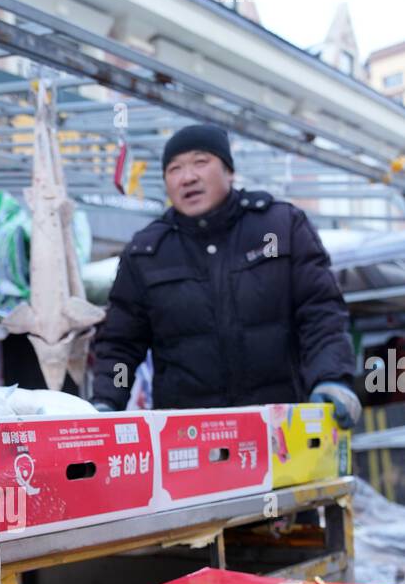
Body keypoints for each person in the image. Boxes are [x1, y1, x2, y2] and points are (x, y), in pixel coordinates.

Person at [92, 123, 361, 428]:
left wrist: (331, 378)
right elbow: (121, 345)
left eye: (200, 162)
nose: (187, 177)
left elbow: (320, 313)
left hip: (282, 427)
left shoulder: (280, 226)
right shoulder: (146, 252)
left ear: (229, 171)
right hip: (189, 438)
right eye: (174, 169)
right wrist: (106, 400)